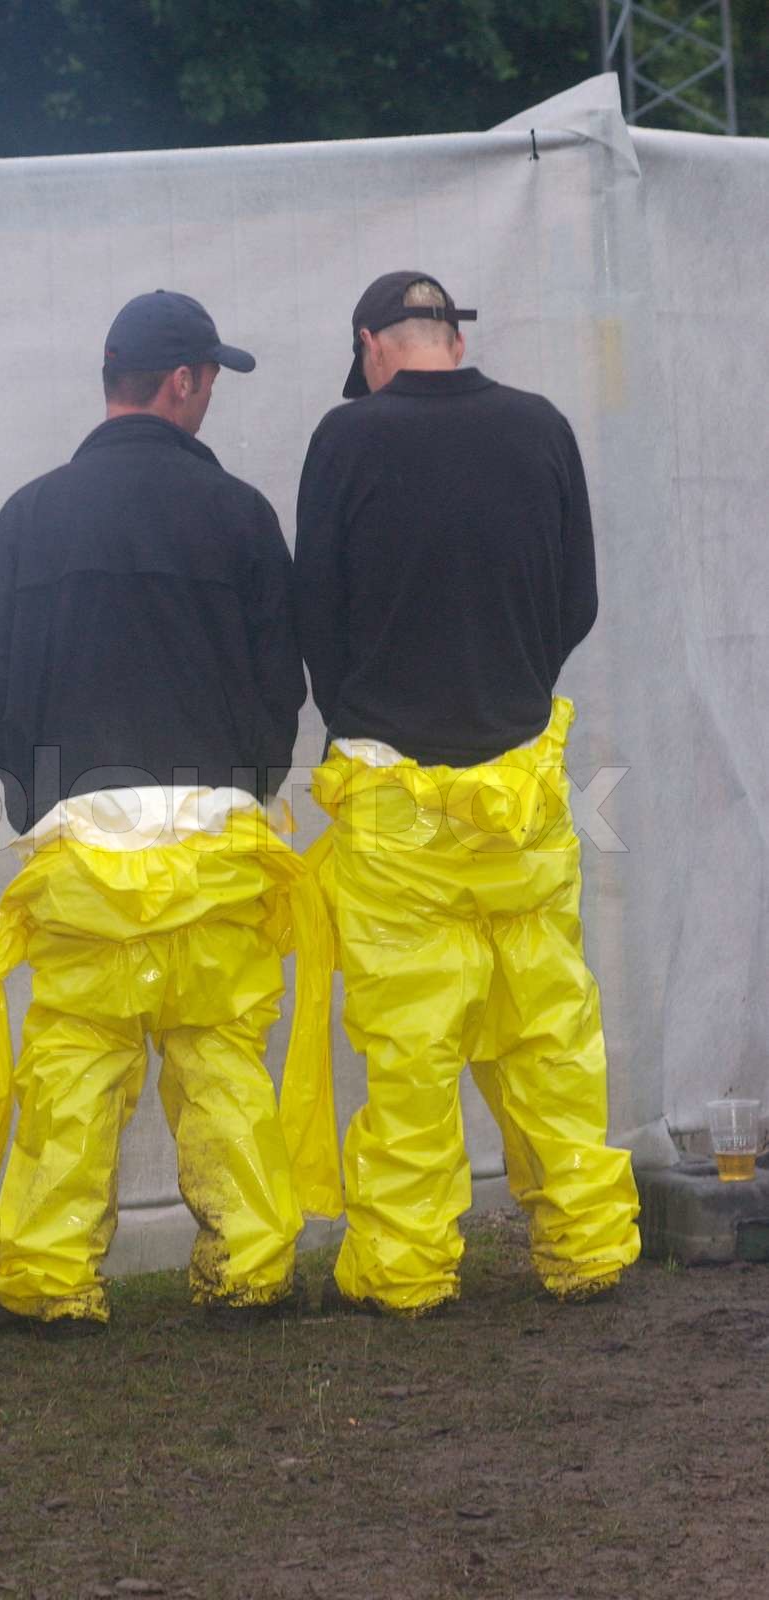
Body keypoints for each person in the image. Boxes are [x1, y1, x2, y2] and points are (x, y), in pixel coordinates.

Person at [0, 291, 340, 1338]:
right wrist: (238, 787)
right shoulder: (238, 514)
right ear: (184, 381)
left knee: (75, 1056)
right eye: (209, 381)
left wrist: (44, 794)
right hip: (210, 830)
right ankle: (249, 1270)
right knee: (219, 1056)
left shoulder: (28, 516)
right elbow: (276, 682)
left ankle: (49, 1282)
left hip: (82, 838)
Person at [294, 270, 641, 1318]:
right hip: (522, 785)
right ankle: (585, 1245)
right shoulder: (540, 429)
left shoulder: (345, 440)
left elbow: (316, 608)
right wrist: (513, 683)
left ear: (371, 345)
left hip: (396, 795)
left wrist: (362, 704)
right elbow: (576, 594)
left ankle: (403, 1269)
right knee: (547, 1026)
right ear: (451, 334)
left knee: (409, 1044)